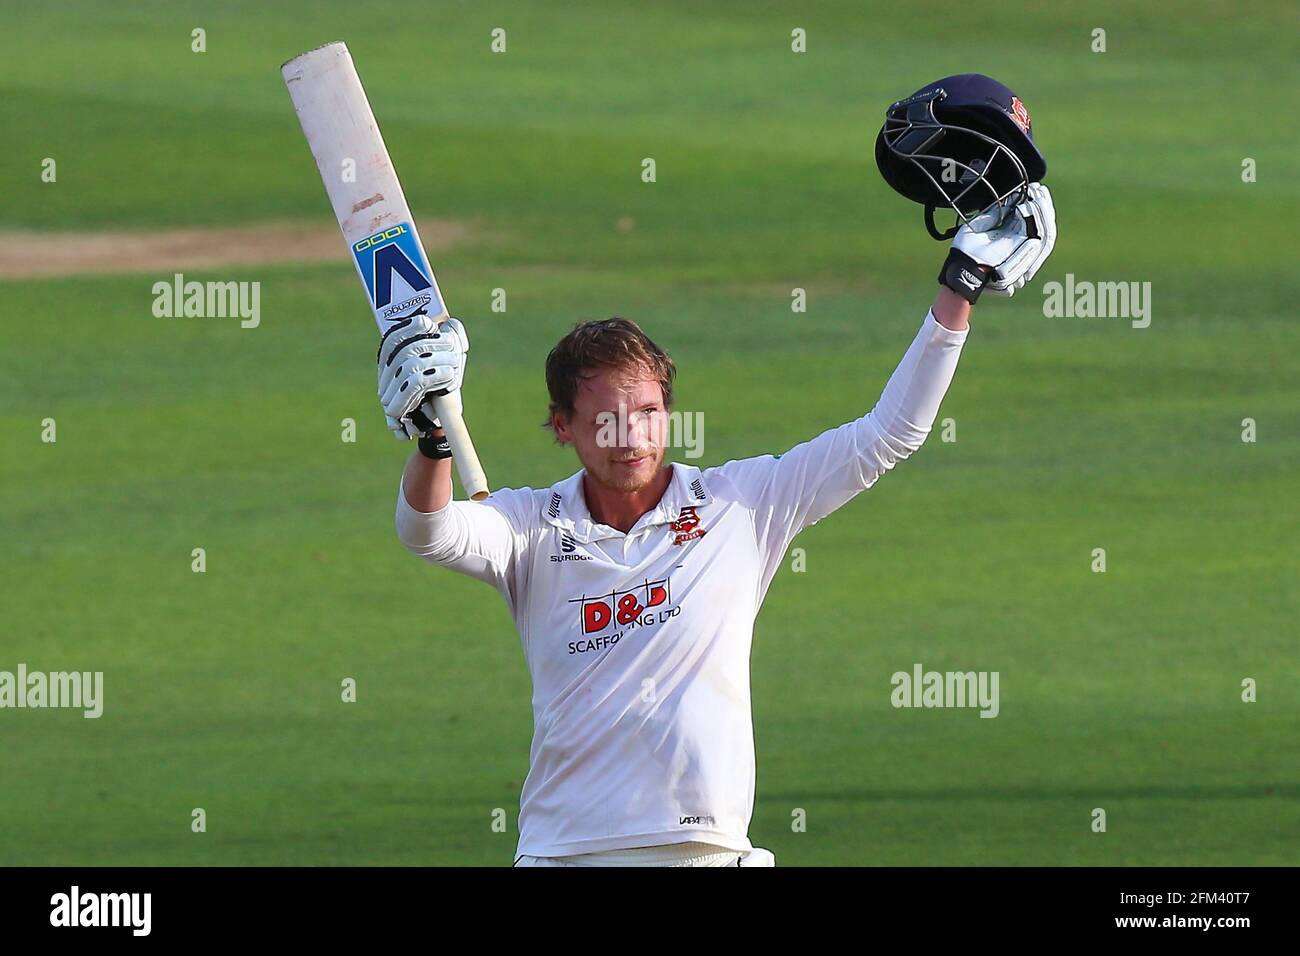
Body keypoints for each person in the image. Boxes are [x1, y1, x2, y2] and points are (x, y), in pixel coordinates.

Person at [377, 184, 1056, 866]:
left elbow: (890, 434)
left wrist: (959, 288)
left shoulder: (743, 505)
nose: (631, 436)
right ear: (563, 426)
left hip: (705, 851)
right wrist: (433, 440)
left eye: (646, 412)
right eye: (605, 419)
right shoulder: (529, 528)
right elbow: (427, 529)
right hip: (565, 854)